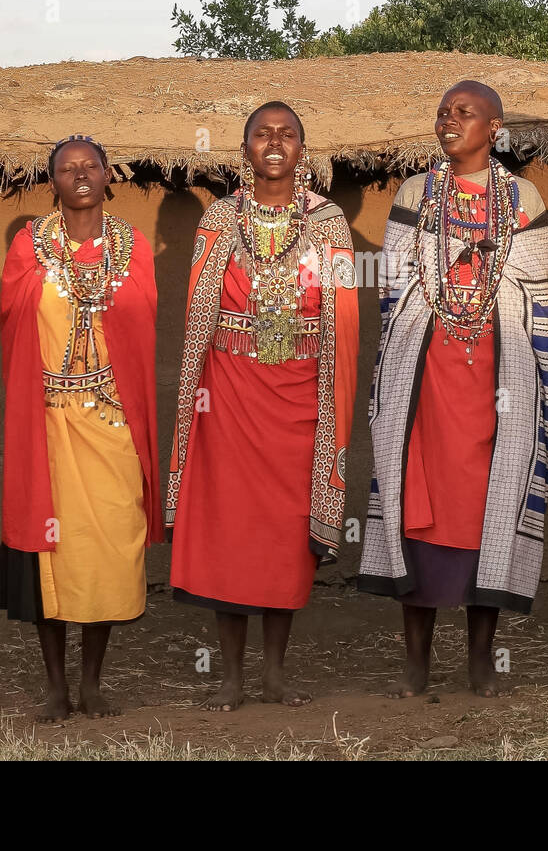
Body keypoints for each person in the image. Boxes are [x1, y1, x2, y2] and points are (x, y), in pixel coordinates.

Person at [358, 81, 548, 697]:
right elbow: (396, 281)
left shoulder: (523, 197)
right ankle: (415, 669)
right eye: (443, 112)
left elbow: (536, 279)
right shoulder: (416, 192)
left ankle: (479, 663)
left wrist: (482, 280)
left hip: (498, 379)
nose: (450, 121)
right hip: (427, 379)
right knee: (418, 506)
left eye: (464, 113)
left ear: (494, 127)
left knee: (485, 513)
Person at [166, 102, 359, 711]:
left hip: (300, 399)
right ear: (244, 147)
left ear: (303, 148)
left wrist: (332, 396)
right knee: (231, 534)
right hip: (227, 396)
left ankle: (275, 673)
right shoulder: (220, 219)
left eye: (287, 135)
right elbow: (199, 313)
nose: (274, 143)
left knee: (282, 537)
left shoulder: (329, 223)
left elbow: (341, 319)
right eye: (261, 134)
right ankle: (230, 675)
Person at [0, 134, 160, 719]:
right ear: (52, 181)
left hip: (110, 422)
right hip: (50, 423)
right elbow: (13, 316)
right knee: (51, 556)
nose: (80, 175)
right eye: (67, 168)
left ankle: (92, 682)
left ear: (109, 175)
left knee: (108, 549)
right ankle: (56, 686)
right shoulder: (28, 246)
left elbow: (141, 320)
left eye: (90, 166)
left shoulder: (131, 246)